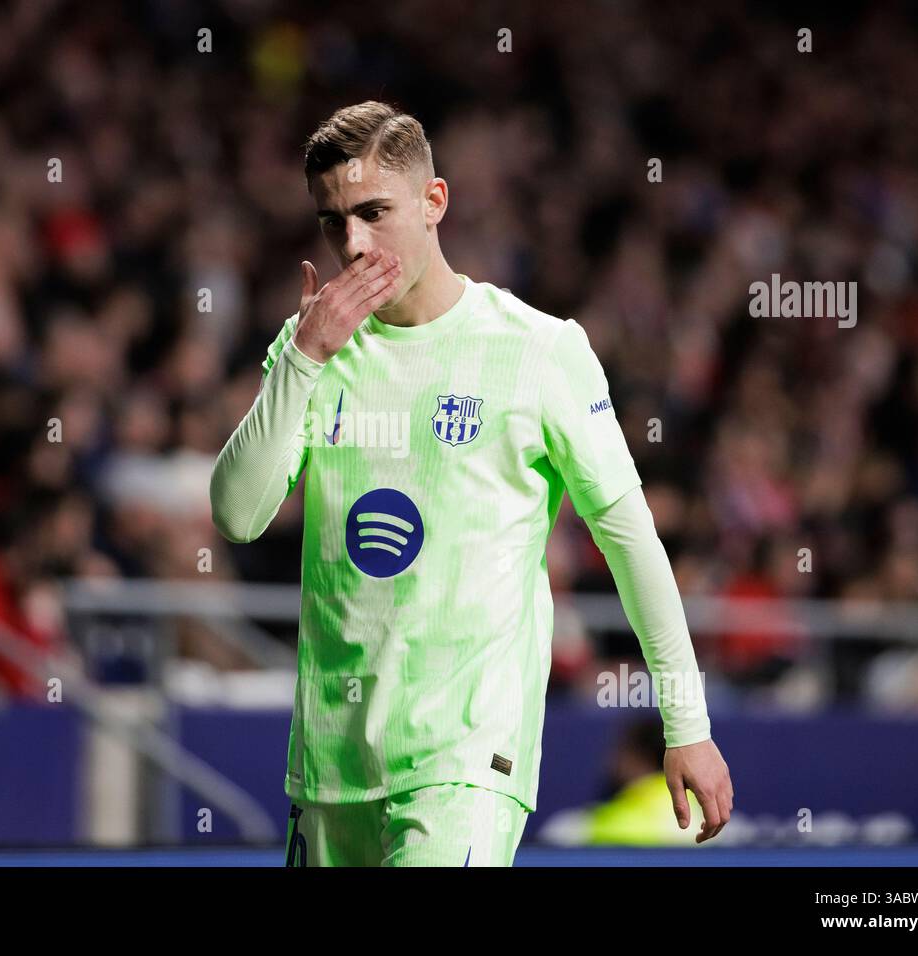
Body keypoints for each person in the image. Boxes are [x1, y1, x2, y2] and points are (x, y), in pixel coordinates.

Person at [210, 101, 733, 866]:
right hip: (328, 765)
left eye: (373, 213)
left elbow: (631, 541)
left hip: (464, 764)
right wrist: (305, 357)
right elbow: (236, 515)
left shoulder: (540, 350)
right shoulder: (315, 347)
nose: (353, 244)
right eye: (333, 222)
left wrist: (687, 725)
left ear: (434, 203)